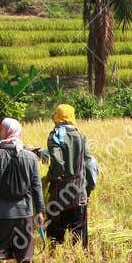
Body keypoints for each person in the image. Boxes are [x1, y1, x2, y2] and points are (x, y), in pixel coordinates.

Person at [0, 118, 46, 263]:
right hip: (24, 213)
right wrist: (40, 211)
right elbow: (36, 186)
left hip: (1, 213)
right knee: (25, 251)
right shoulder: (30, 157)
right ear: (18, 133)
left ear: (3, 132)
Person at [43, 104, 91, 247]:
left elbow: (57, 163)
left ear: (57, 117)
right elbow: (90, 165)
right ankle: (79, 262)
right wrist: (88, 189)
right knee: (79, 239)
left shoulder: (55, 136)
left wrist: (51, 177)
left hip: (59, 195)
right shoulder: (81, 137)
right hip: (78, 194)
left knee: (55, 237)